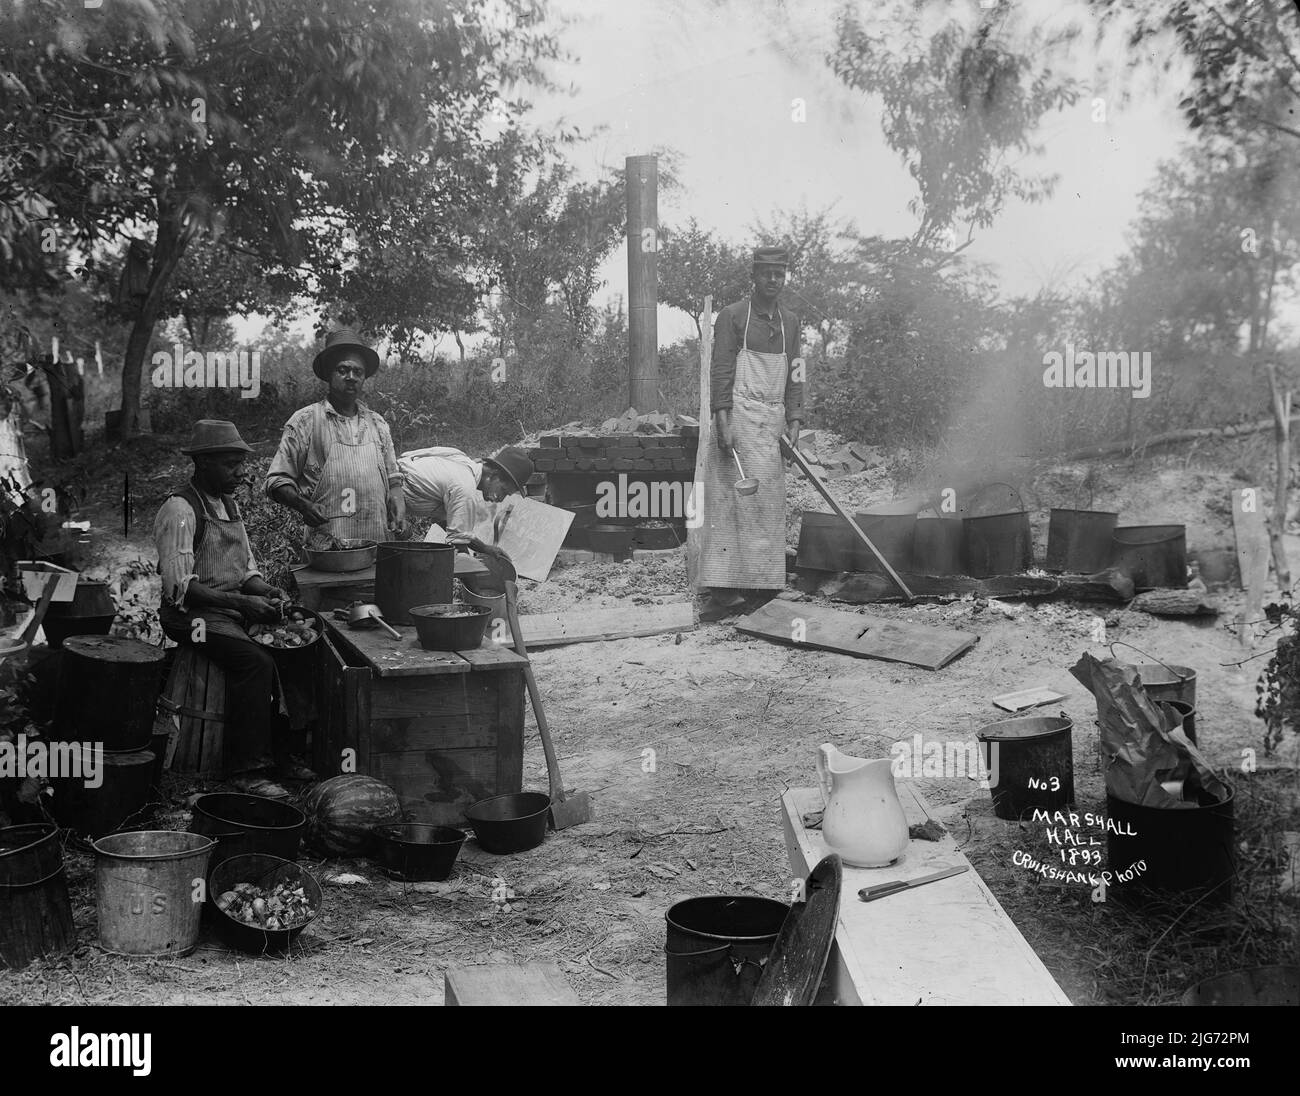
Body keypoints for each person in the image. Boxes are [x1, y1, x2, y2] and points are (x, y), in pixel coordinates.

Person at [155, 420, 314, 799]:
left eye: (240, 464)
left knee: (292, 652)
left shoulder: (229, 505)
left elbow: (246, 573)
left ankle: (285, 754)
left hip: (227, 610)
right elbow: (182, 588)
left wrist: (266, 590)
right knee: (254, 661)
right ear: (204, 462)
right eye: (230, 465)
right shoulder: (180, 509)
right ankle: (247, 768)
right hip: (188, 617)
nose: (240, 474)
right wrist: (243, 604)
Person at [698, 246, 804, 621]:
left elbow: (796, 372)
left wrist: (795, 416)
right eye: (766, 273)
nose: (773, 280)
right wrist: (722, 420)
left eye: (780, 273)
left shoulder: (790, 321)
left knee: (766, 506)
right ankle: (722, 592)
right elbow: (721, 370)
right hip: (739, 417)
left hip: (771, 420)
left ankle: (761, 588)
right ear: (754, 276)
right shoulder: (733, 316)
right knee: (730, 505)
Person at [264, 328, 404, 549]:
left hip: (376, 545)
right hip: (327, 549)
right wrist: (303, 505)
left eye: (358, 372)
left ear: (364, 378)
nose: (351, 378)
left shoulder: (378, 424)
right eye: (343, 370)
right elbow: (276, 481)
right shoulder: (305, 422)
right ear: (329, 374)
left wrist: (398, 507)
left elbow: (394, 480)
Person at [398, 445, 534, 560]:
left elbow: (451, 524)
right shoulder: (465, 488)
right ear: (494, 475)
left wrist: (484, 548)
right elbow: (458, 545)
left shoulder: (463, 461)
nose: (500, 499)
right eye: (503, 491)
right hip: (383, 491)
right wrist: (478, 585)